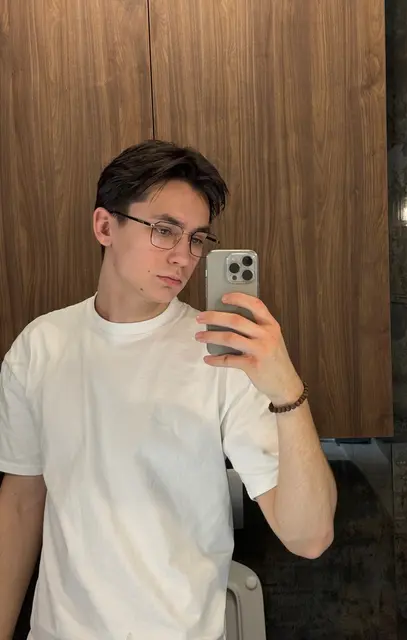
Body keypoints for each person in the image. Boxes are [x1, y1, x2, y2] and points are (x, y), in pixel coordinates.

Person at [0, 140, 337, 640]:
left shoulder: (222, 355)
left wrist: (286, 385)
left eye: (197, 239)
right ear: (105, 226)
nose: (184, 256)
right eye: (164, 230)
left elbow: (309, 537)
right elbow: (21, 503)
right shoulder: (40, 346)